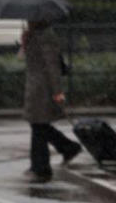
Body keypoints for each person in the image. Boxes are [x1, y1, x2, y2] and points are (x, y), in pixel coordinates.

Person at [21, 20, 81, 183]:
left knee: (38, 125)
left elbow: (52, 65)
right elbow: (27, 59)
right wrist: (24, 42)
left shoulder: (46, 36)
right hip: (34, 87)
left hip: (43, 88)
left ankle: (41, 167)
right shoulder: (32, 34)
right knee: (39, 125)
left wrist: (57, 91)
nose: (27, 20)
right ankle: (67, 148)